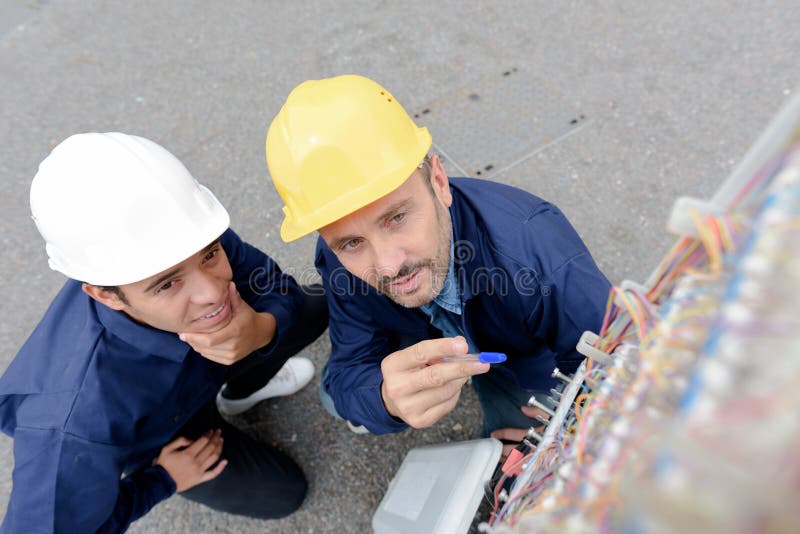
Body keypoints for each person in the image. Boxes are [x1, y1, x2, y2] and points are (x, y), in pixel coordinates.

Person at [0, 133, 328, 532]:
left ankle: (241, 391)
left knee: (317, 303)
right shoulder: (72, 426)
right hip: (167, 435)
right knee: (283, 494)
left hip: (207, 370)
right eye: (167, 284)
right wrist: (161, 480)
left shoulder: (180, 237)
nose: (213, 292)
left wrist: (261, 330)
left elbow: (275, 288)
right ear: (105, 295)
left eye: (210, 255)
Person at [265, 75, 611, 452]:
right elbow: (350, 368)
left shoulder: (539, 256)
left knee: (528, 453)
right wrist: (385, 399)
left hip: (520, 365)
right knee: (338, 400)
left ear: (440, 181)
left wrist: (568, 434)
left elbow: (614, 371)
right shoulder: (337, 262)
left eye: (396, 217)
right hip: (456, 339)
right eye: (351, 242)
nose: (387, 266)